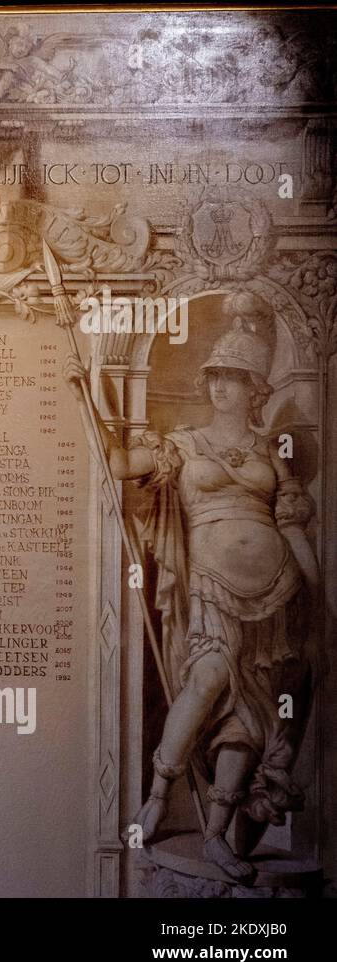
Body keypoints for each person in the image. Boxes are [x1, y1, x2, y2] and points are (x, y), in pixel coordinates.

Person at [66, 293, 321, 882]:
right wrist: (92, 396)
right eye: (213, 379)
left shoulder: (272, 454)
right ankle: (159, 796)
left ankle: (217, 836)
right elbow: (119, 461)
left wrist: (318, 609)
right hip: (210, 585)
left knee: (252, 720)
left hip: (281, 594)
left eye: (232, 379)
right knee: (208, 678)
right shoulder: (180, 444)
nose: (218, 388)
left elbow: (292, 526)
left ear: (257, 387)